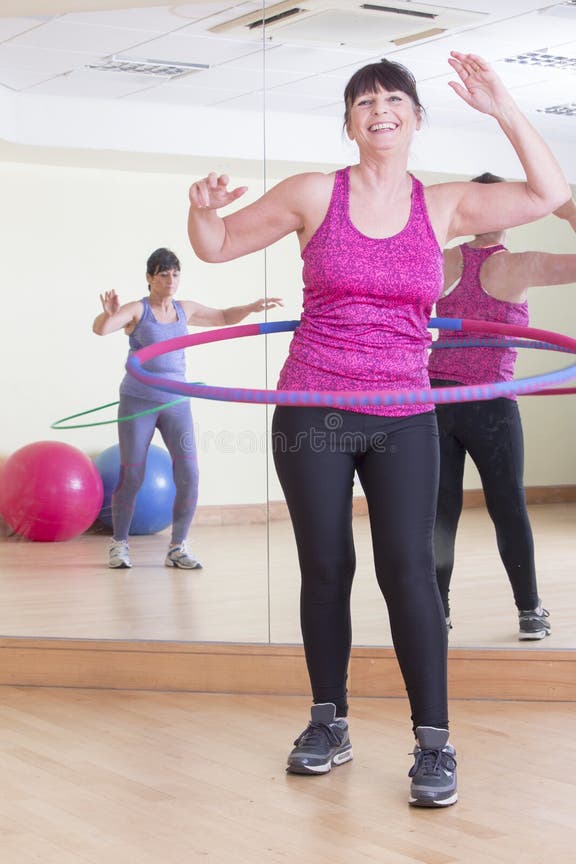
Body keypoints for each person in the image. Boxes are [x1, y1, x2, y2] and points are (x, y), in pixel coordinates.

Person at [186, 52, 570, 808]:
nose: (380, 109)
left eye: (395, 99)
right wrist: (200, 209)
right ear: (350, 121)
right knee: (325, 568)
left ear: (418, 118)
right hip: (314, 406)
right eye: (364, 101)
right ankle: (328, 720)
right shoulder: (310, 193)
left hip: (403, 411)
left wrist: (503, 106)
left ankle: (434, 741)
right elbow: (217, 245)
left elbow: (549, 192)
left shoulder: (447, 206)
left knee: (410, 572)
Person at [429, 179, 576, 639]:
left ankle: (438, 612)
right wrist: (567, 209)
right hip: (489, 404)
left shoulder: (442, 259)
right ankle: (530, 611)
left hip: (437, 400)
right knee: (509, 506)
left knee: (441, 510)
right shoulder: (518, 265)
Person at [93, 246, 282, 570]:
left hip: (176, 402)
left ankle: (178, 546)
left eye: (175, 274)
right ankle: (119, 544)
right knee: (133, 475)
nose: (171, 280)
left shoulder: (185, 309)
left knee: (190, 474)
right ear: (150, 278)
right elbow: (101, 329)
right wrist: (110, 313)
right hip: (139, 401)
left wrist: (250, 308)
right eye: (163, 274)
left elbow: (223, 317)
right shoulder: (138, 310)